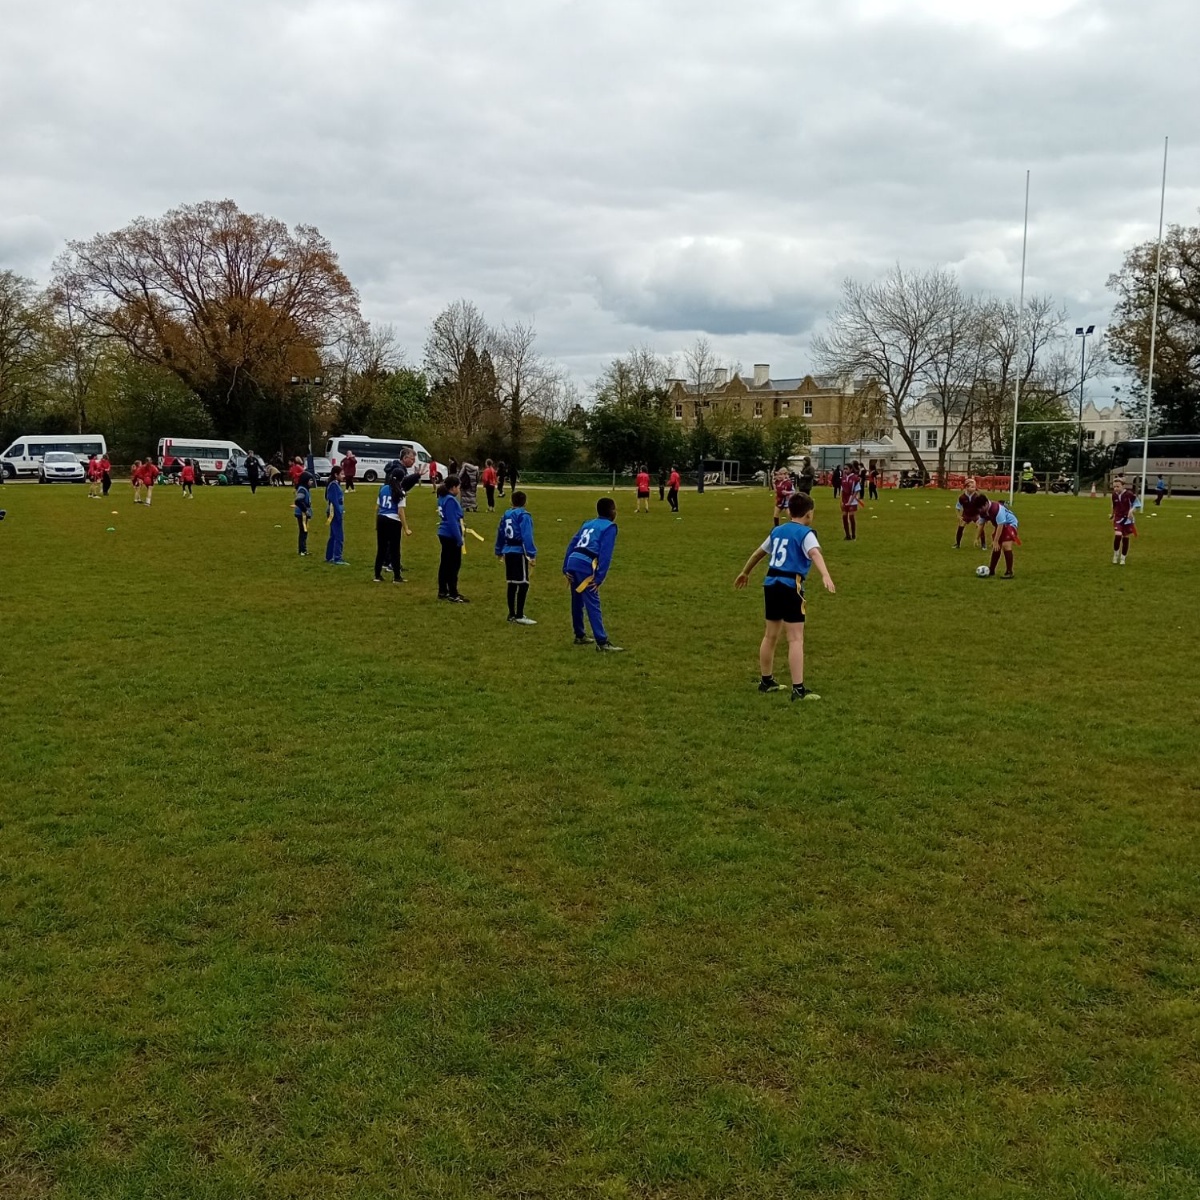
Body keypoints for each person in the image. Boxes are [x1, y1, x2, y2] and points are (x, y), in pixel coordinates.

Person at [734, 491, 836, 702]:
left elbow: (758, 553)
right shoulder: (806, 533)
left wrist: (745, 572)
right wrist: (825, 574)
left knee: (770, 635)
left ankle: (766, 681)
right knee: (795, 638)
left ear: (788, 511)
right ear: (809, 514)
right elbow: (815, 553)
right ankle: (798, 689)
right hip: (791, 586)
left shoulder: (777, 531)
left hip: (771, 584)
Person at [563, 498, 623, 651]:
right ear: (612, 511)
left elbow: (572, 543)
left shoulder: (588, 523)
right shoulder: (609, 527)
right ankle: (602, 642)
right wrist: (599, 578)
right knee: (592, 602)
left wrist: (566, 567)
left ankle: (579, 634)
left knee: (577, 600)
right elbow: (605, 553)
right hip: (586, 564)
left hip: (574, 560)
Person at [496, 489, 538, 624]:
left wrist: (499, 550)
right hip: (519, 551)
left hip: (508, 550)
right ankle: (519, 615)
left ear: (511, 502)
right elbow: (527, 535)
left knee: (512, 583)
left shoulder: (506, 514)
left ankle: (511, 614)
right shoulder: (524, 515)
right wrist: (531, 554)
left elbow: (500, 532)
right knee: (523, 583)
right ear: (525, 502)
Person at [436, 473, 467, 602]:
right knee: (453, 565)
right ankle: (453, 593)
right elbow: (452, 521)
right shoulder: (450, 500)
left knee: (445, 563)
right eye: (458, 487)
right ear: (453, 487)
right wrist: (459, 538)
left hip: (444, 533)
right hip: (450, 535)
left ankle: (443, 590)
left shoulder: (442, 497)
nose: (459, 490)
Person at [374, 471, 408, 583]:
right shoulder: (400, 492)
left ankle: (377, 575)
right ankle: (397, 577)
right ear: (401, 479)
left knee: (381, 549)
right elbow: (400, 511)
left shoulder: (383, 488)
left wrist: (376, 523)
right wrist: (406, 528)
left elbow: (377, 507)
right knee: (395, 549)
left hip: (381, 519)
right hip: (393, 521)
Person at [980, 499, 1020, 578]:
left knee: (1006, 545)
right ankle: (991, 570)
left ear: (986, 504)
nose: (980, 510)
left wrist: (995, 541)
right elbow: (981, 524)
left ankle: (1009, 572)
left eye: (981, 507)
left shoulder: (997, 509)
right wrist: (977, 538)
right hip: (999, 526)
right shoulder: (982, 510)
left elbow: (1000, 525)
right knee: (997, 547)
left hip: (1009, 524)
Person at [1111, 477, 1141, 565]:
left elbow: (1137, 504)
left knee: (1125, 537)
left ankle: (1123, 558)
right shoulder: (1114, 495)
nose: (1116, 488)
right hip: (1118, 518)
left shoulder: (1129, 494)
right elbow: (1114, 505)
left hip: (1127, 519)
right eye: (1114, 487)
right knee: (1118, 534)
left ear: (1123, 486)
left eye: (1118, 486)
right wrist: (1113, 514)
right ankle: (1115, 555)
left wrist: (1131, 511)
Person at [954, 478, 989, 549]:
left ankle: (983, 544)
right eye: (972, 487)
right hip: (966, 514)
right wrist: (958, 516)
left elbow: (983, 507)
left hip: (976, 515)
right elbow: (957, 507)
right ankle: (957, 544)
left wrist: (984, 516)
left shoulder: (977, 496)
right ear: (966, 487)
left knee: (980, 527)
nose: (974, 488)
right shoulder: (962, 497)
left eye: (974, 487)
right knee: (961, 526)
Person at [324, 464, 348, 564]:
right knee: (339, 536)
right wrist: (338, 514)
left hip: (335, 511)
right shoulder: (333, 485)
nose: (343, 476)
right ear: (335, 474)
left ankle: (329, 556)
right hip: (334, 512)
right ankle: (337, 558)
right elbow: (334, 501)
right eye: (341, 474)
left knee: (333, 535)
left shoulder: (335, 484)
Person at [839, 461, 861, 540]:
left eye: (846, 469)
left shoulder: (855, 478)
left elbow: (856, 491)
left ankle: (853, 535)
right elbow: (842, 490)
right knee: (844, 516)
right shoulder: (843, 478)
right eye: (844, 469)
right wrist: (842, 501)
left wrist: (850, 501)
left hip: (852, 500)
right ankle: (847, 535)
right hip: (845, 499)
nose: (845, 470)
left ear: (851, 469)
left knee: (851, 516)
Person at [294, 475, 313, 555]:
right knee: (303, 531)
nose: (312, 482)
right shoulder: (302, 489)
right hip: (302, 514)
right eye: (310, 480)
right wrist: (305, 510)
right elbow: (298, 500)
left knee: (304, 531)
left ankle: (303, 549)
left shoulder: (305, 488)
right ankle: (302, 550)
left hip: (303, 513)